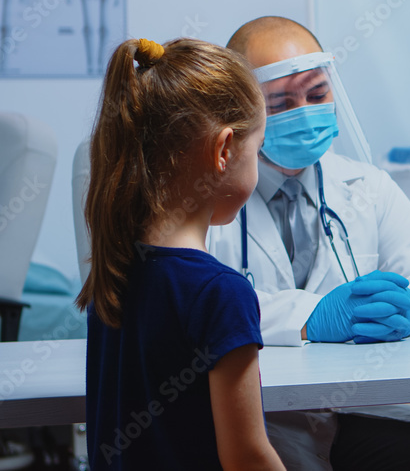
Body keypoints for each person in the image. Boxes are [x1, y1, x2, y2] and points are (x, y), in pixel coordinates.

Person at [208, 16, 410, 470]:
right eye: (281, 101)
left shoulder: (366, 186)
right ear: (239, 109)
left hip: (353, 409)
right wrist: (309, 318)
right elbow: (189, 308)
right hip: (248, 416)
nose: (304, 110)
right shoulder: (206, 196)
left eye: (317, 95)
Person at [78, 37, 284, 470]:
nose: (259, 163)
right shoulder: (220, 294)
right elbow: (247, 457)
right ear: (225, 150)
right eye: (258, 149)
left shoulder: (113, 273)